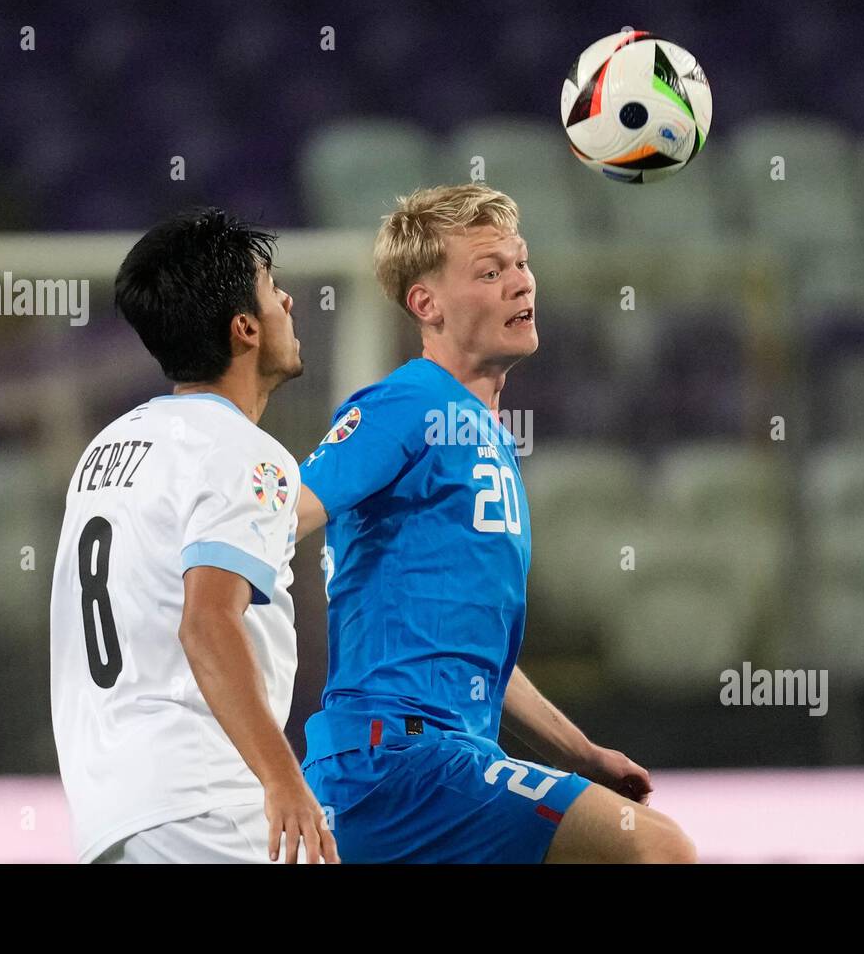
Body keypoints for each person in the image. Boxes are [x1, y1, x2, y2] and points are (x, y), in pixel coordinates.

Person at [293, 183, 697, 863]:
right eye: (489, 271)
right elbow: (280, 514)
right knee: (653, 848)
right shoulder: (406, 404)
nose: (519, 283)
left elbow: (478, 655)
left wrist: (582, 753)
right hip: (397, 760)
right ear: (426, 304)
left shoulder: (483, 431)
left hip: (435, 757)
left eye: (521, 262)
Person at [49, 208, 337, 864]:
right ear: (244, 328)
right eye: (272, 289)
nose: (289, 301)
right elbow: (207, 624)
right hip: (206, 803)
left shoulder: (108, 447)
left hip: (110, 812)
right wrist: (283, 781)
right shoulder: (245, 454)